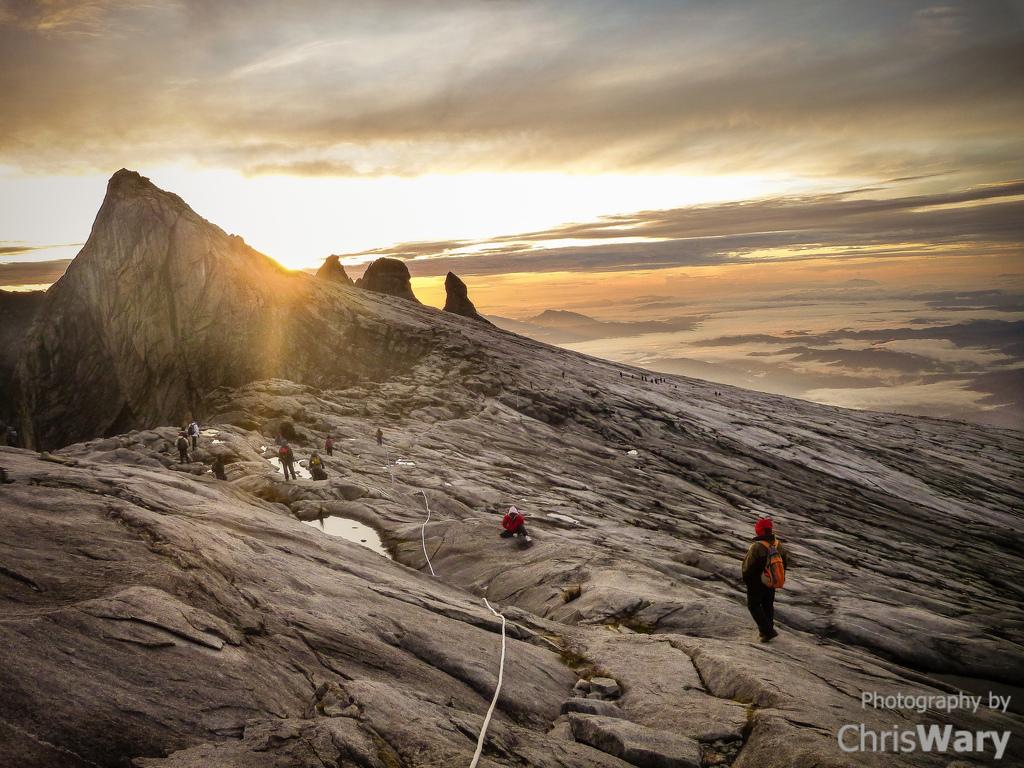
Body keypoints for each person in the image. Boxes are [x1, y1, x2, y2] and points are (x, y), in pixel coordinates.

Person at [742, 517, 790, 642]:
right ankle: (766, 632)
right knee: (768, 605)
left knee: (753, 606)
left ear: (760, 530)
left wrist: (747, 581)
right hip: (771, 582)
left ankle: (767, 631)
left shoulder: (757, 547)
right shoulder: (778, 545)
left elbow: (748, 567)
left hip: (757, 582)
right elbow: (784, 563)